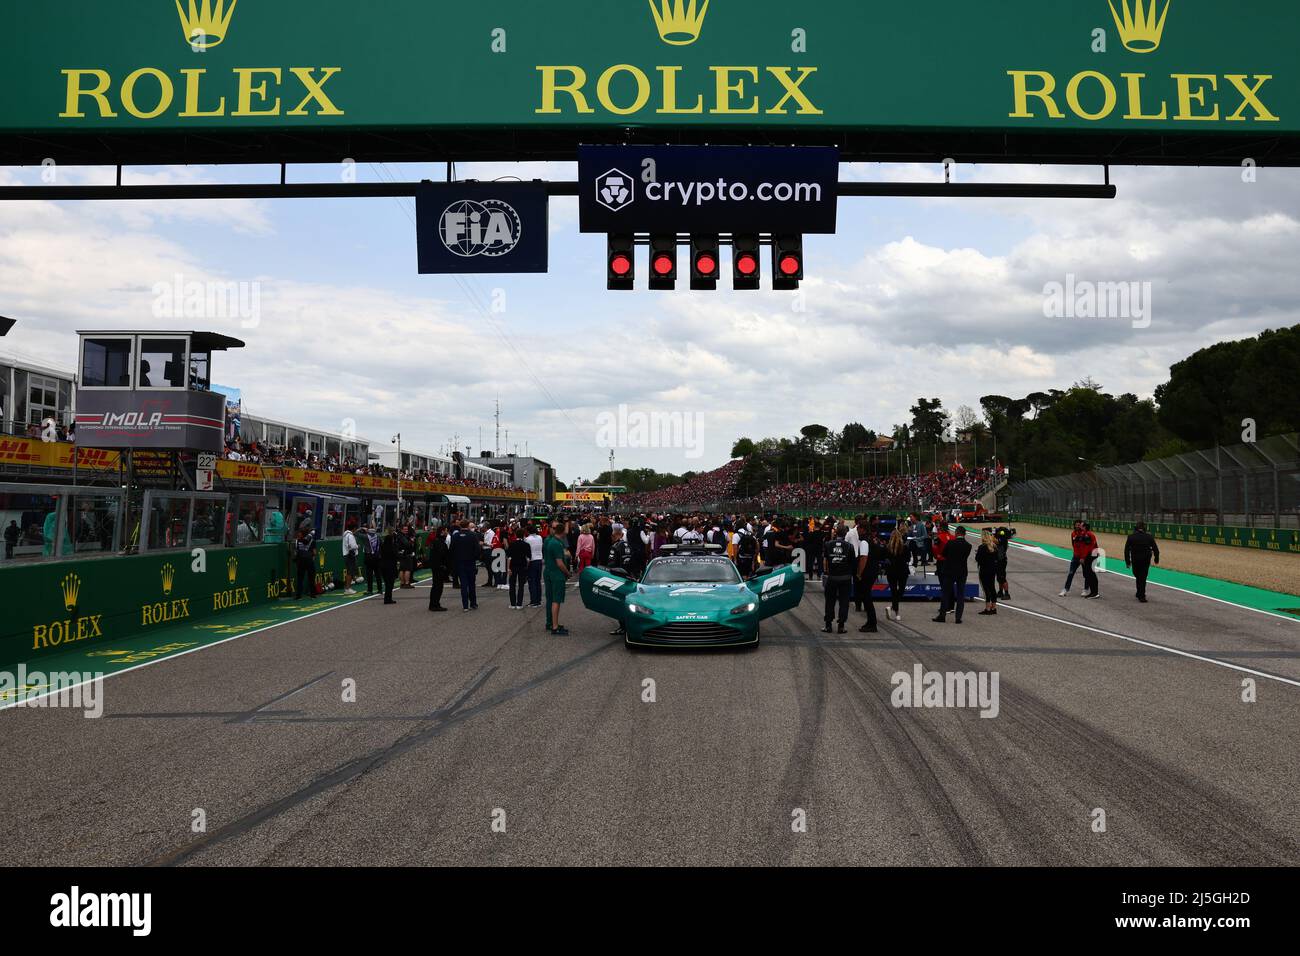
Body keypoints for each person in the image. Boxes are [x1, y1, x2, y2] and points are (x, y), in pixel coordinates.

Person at [822, 522, 855, 634]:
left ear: (835, 532)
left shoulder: (828, 544)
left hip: (832, 577)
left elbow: (825, 560)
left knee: (829, 601)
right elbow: (852, 563)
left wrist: (826, 572)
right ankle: (841, 626)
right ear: (845, 533)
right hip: (845, 578)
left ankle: (828, 625)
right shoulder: (850, 546)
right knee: (844, 602)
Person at [934, 526, 972, 623]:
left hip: (950, 570)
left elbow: (944, 554)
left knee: (946, 593)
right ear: (964, 534)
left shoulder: (951, 543)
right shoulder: (968, 545)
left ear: (956, 533)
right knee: (960, 594)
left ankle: (942, 616)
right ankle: (958, 618)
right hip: (962, 572)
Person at [855, 517, 884, 632]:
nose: (857, 530)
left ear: (863, 529)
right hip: (873, 571)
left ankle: (872, 623)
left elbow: (863, 558)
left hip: (867, 572)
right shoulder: (871, 539)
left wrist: (859, 573)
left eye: (858, 528)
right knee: (866, 597)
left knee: (866, 598)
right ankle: (871, 622)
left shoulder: (864, 542)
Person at [545, 519, 571, 635]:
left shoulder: (551, 541)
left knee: (552, 599)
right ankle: (554, 626)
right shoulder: (555, 543)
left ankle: (553, 623)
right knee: (556, 600)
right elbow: (560, 562)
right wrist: (567, 573)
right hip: (556, 574)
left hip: (550, 572)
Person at [1124, 521, 1160, 603]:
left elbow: (1126, 550)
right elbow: (1156, 549)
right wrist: (1156, 558)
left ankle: (1141, 595)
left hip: (1135, 560)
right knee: (1142, 577)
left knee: (1138, 576)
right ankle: (1140, 593)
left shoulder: (1131, 537)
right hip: (1145, 560)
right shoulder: (1149, 537)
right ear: (1145, 528)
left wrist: (1128, 561)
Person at [606, 527, 633, 636]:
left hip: (618, 577)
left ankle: (622, 626)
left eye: (612, 536)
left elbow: (611, 564)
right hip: (629, 576)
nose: (611, 538)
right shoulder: (628, 545)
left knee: (618, 601)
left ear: (617, 535)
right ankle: (628, 624)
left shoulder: (615, 547)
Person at [883, 525, 910, 623]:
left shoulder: (888, 548)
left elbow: (885, 559)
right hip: (902, 571)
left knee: (894, 591)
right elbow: (908, 559)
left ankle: (895, 609)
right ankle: (895, 610)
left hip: (891, 571)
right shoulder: (904, 547)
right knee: (901, 590)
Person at [451, 519, 481, 611]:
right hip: (470, 562)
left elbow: (452, 549)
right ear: (468, 525)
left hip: (460, 562)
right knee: (471, 583)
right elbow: (477, 549)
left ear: (460, 526)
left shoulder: (456, 536)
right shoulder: (473, 535)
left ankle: (465, 605)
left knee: (463, 584)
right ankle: (473, 603)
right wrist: (475, 558)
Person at [1059, 519, 1092, 597]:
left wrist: (1083, 557)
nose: (1077, 526)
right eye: (1076, 524)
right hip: (1076, 557)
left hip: (1084, 558)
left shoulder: (1085, 534)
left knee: (1086, 574)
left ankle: (1086, 589)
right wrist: (1076, 555)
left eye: (1079, 525)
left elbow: (1086, 547)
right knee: (1071, 573)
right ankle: (1065, 589)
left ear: (1081, 526)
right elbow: (1073, 545)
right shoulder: (1073, 533)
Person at [427, 520, 451, 612]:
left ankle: (434, 603)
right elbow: (441, 555)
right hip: (439, 567)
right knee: (438, 586)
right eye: (445, 531)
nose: (447, 532)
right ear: (442, 532)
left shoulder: (437, 541)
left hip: (436, 567)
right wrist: (443, 565)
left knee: (436, 586)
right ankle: (434, 604)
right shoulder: (440, 543)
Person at [975, 529, 1000, 615]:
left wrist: (977, 554)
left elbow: (978, 559)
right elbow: (997, 558)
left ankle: (987, 608)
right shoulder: (994, 547)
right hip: (992, 570)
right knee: (992, 587)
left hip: (984, 570)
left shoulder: (982, 547)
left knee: (986, 589)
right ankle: (994, 607)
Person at [507, 529, 531, 609]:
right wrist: (527, 567)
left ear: (516, 535)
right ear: (523, 535)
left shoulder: (512, 544)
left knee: (512, 585)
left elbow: (509, 558)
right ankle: (519, 603)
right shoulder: (526, 545)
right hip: (522, 566)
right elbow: (528, 558)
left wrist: (508, 568)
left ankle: (513, 603)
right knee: (521, 585)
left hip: (513, 566)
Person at [293, 522, 317, 599]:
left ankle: (298, 595)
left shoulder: (297, 541)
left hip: (300, 561)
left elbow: (295, 552)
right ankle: (312, 594)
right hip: (309, 560)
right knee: (311, 578)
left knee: (300, 578)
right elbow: (314, 552)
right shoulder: (311, 540)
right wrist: (313, 557)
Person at [992, 526, 1015, 600]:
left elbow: (995, 541)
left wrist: (992, 535)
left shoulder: (1002, 540)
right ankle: (1000, 592)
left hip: (1001, 561)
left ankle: (1007, 593)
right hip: (999, 560)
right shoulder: (1002, 539)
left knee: (1002, 577)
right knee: (999, 577)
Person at [525, 523, 544, 608]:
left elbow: (527, 551)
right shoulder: (540, 537)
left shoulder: (527, 539)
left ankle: (533, 600)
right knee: (537, 581)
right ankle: (538, 600)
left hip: (532, 560)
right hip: (539, 560)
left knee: (531, 581)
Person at [379, 527, 399, 604]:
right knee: (390, 584)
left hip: (383, 566)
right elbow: (395, 555)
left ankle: (387, 598)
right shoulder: (392, 547)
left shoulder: (383, 546)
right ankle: (388, 598)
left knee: (387, 583)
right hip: (390, 567)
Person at [360, 523, 380, 595]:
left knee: (369, 574)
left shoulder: (366, 537)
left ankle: (370, 590)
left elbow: (355, 533)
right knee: (377, 573)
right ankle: (380, 589)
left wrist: (361, 528)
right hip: (376, 556)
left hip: (369, 556)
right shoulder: (377, 537)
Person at [342, 518, 360, 592]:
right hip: (350, 555)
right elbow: (352, 546)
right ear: (354, 528)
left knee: (349, 571)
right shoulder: (350, 536)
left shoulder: (346, 534)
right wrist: (357, 546)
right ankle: (348, 588)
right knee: (350, 572)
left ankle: (347, 587)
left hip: (347, 555)